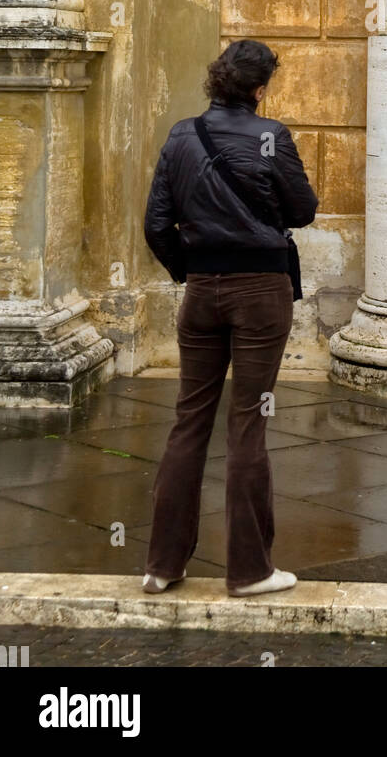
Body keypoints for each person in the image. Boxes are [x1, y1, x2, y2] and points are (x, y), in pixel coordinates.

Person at [140, 39, 318, 597]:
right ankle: (249, 571)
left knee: (188, 422)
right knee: (248, 424)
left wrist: (192, 270)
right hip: (261, 290)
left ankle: (161, 567)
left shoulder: (180, 135)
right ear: (260, 89)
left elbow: (155, 225)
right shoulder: (271, 136)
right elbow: (303, 211)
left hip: (201, 293)